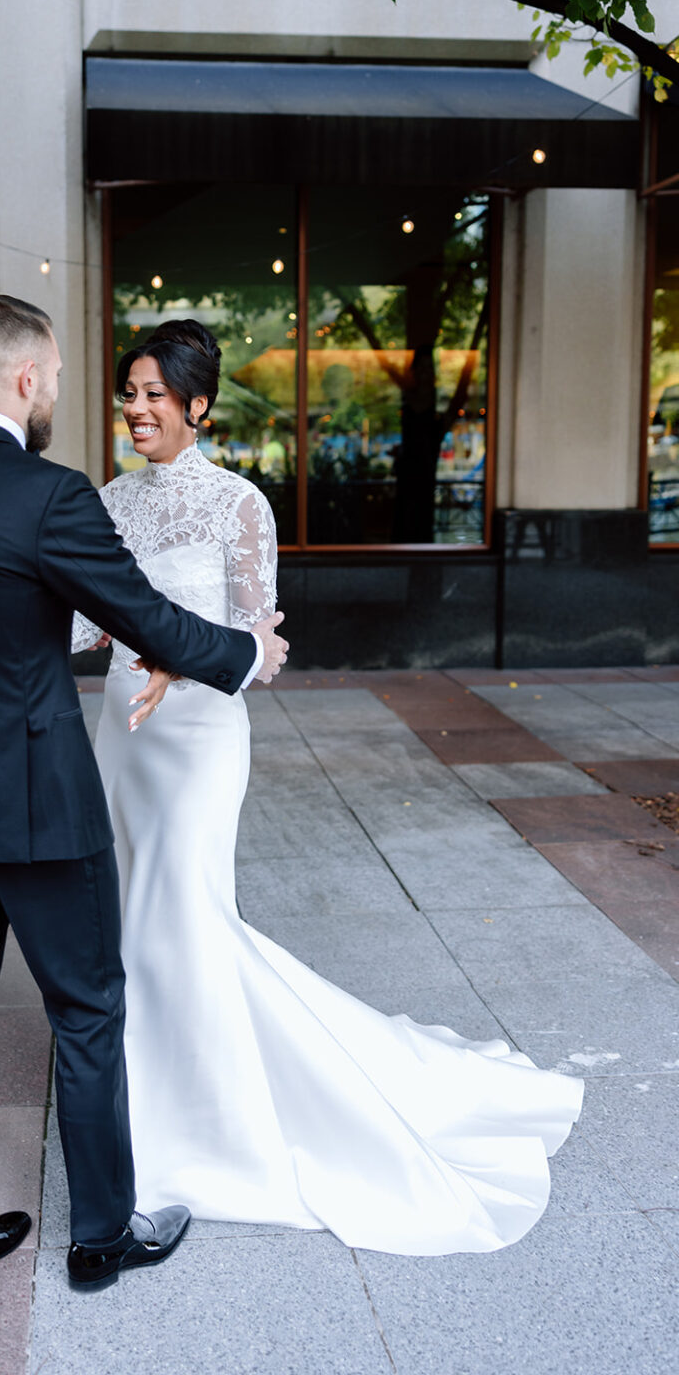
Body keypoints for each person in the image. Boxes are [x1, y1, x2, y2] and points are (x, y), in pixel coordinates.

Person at [73, 318, 584, 1256]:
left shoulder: (239, 504)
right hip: (123, 736)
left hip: (196, 740)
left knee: (182, 911)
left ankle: (200, 1120)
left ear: (198, 405)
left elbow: (258, 648)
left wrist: (176, 661)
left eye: (154, 395)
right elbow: (81, 623)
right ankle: (145, 1089)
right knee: (130, 915)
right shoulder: (107, 502)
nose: (136, 410)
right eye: (129, 394)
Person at [0, 294, 289, 1300]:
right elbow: (142, 615)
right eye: (57, 376)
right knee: (89, 1008)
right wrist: (245, 654)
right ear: (25, 377)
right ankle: (102, 1236)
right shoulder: (51, 494)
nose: (64, 391)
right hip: (39, 804)